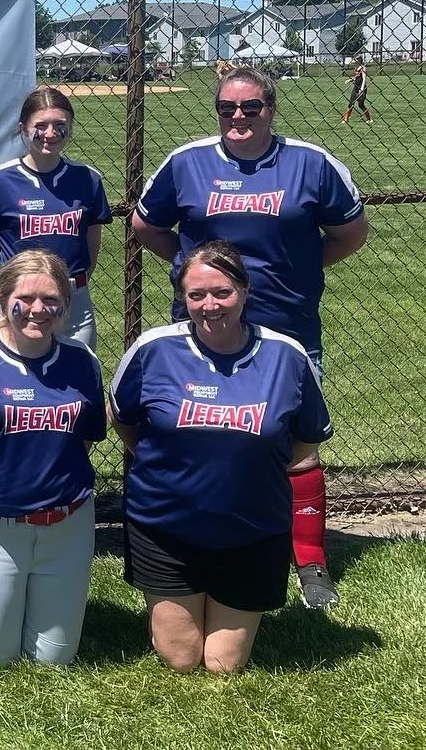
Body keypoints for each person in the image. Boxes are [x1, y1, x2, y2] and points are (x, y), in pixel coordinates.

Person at [131, 66, 368, 608]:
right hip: (205, 327)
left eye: (250, 107)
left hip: (286, 325)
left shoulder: (310, 162)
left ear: (271, 108)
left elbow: (351, 232)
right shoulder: (187, 163)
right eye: (226, 108)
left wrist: (300, 271)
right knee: (199, 430)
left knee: (293, 443)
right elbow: (147, 226)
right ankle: (182, 544)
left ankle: (309, 558)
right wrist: (191, 271)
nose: (238, 117)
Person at [110, 241, 332, 673]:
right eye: (196, 295)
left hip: (252, 528)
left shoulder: (285, 355)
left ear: (245, 291)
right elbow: (122, 418)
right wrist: (162, 464)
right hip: (165, 526)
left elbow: (305, 439)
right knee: (181, 659)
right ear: (182, 298)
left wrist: (255, 463)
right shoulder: (153, 349)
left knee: (222, 665)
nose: (209, 305)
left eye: (222, 292)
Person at [0, 250, 104, 667]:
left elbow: (84, 440)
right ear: (3, 296)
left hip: (67, 524)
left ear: (66, 303)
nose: (37, 310)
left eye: (51, 299)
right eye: (25, 298)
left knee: (55, 660)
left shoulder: (82, 362)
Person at [0, 86, 111, 349]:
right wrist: (1, 292)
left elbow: (91, 242)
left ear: (70, 128)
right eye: (41, 125)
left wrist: (73, 285)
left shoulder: (88, 178)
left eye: (59, 125)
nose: (50, 134)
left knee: (77, 378)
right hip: (17, 297)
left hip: (73, 298)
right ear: (22, 128)